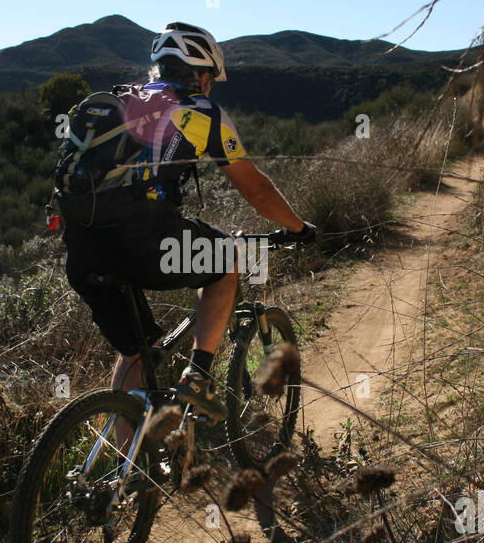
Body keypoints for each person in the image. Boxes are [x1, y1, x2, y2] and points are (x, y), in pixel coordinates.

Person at [61, 22, 315, 419]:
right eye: (210, 77)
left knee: (134, 355)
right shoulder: (201, 112)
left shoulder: (122, 100)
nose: (210, 85)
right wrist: (299, 228)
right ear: (201, 74)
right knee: (227, 260)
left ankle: (130, 475)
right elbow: (257, 191)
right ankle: (198, 377)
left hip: (83, 249)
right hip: (146, 246)